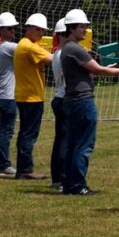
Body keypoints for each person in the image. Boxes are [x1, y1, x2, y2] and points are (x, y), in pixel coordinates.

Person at [58, 8, 119, 197]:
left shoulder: (67, 48)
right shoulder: (75, 48)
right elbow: (97, 69)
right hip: (82, 100)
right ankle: (78, 185)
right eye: (82, 27)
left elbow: (89, 71)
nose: (85, 30)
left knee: (74, 142)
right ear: (72, 28)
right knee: (84, 144)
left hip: (72, 99)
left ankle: (68, 184)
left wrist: (104, 68)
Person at [13, 13, 54, 180]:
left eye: (43, 30)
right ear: (28, 28)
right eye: (38, 29)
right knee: (29, 134)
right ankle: (25, 169)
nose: (41, 33)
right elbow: (53, 60)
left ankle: (23, 168)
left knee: (25, 133)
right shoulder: (30, 47)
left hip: (26, 95)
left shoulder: (26, 44)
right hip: (32, 97)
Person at [0, 12, 20, 177]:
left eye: (14, 28)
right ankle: (2, 164)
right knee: (6, 131)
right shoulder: (8, 47)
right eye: (9, 29)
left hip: (2, 93)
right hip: (7, 95)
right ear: (1, 30)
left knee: (4, 130)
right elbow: (28, 50)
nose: (13, 31)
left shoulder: (3, 47)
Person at [48, 18, 69, 190]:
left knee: (60, 140)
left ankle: (57, 177)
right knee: (64, 141)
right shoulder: (64, 55)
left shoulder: (57, 53)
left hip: (59, 98)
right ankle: (62, 178)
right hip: (64, 99)